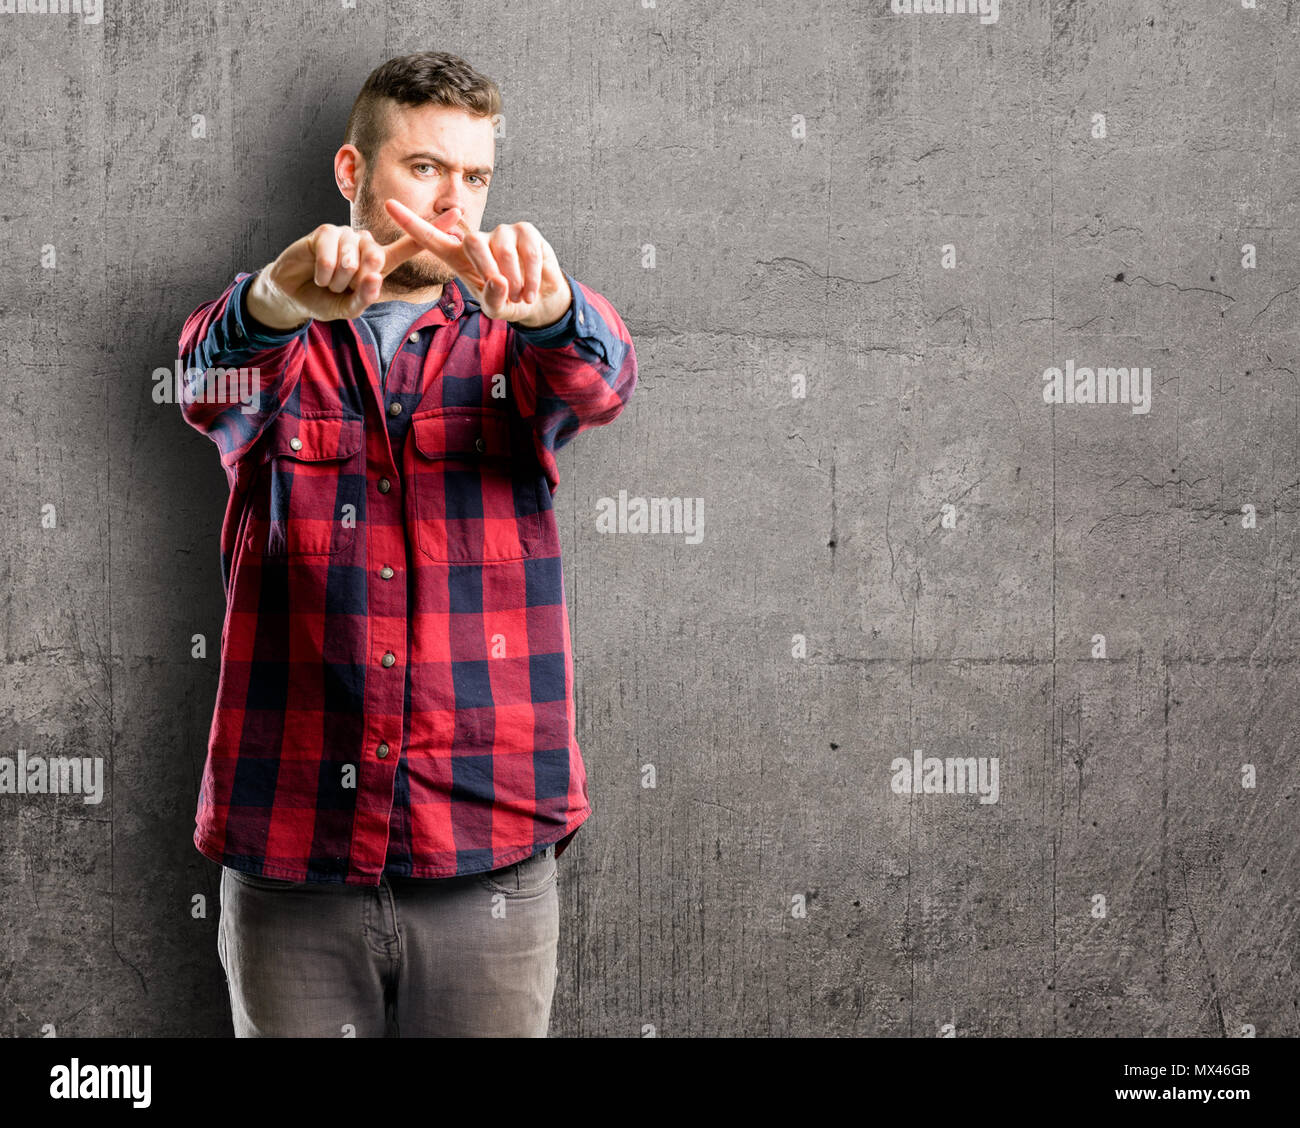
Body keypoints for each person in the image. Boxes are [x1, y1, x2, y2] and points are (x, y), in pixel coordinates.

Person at [175, 50, 637, 1037]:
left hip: (487, 855)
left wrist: (553, 310)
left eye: (474, 176)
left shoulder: (519, 340)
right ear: (352, 175)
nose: (455, 199)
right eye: (424, 168)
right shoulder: (278, 338)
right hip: (293, 856)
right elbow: (199, 381)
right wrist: (271, 302)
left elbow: (604, 380)